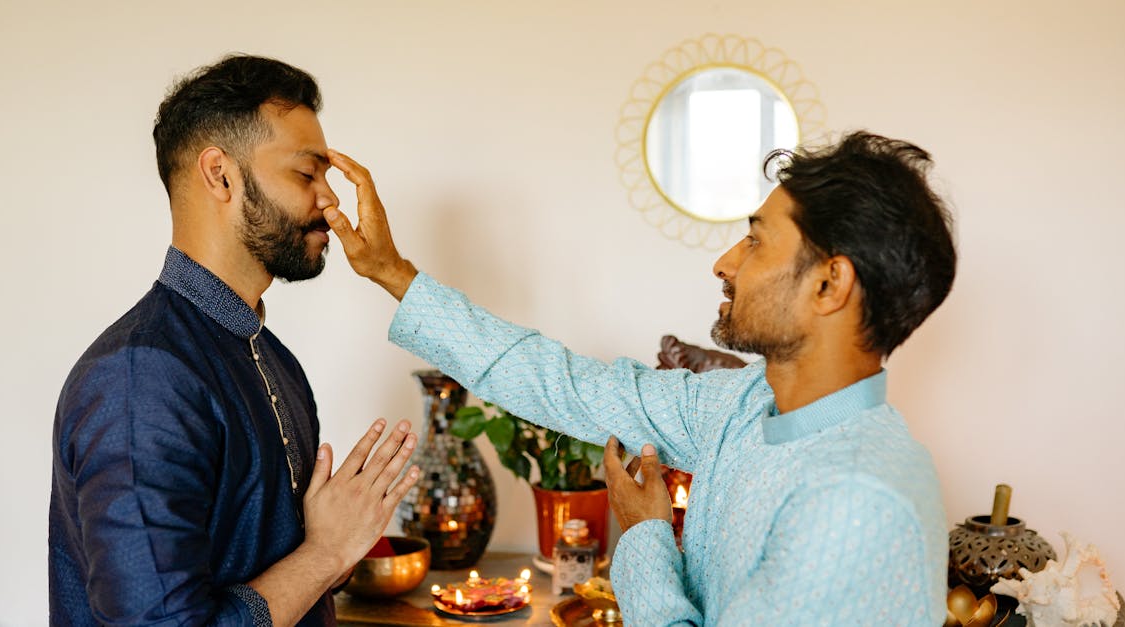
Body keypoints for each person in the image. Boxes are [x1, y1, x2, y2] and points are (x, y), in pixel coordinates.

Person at [321, 132, 957, 625]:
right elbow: (563, 384)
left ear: (830, 284)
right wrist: (391, 272)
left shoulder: (857, 500)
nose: (725, 262)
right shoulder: (745, 403)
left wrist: (647, 536)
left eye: (756, 243)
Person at [49, 55, 421, 626]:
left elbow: (278, 569)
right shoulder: (141, 377)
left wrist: (338, 540)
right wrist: (324, 554)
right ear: (220, 174)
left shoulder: (274, 361)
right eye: (306, 173)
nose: (330, 200)